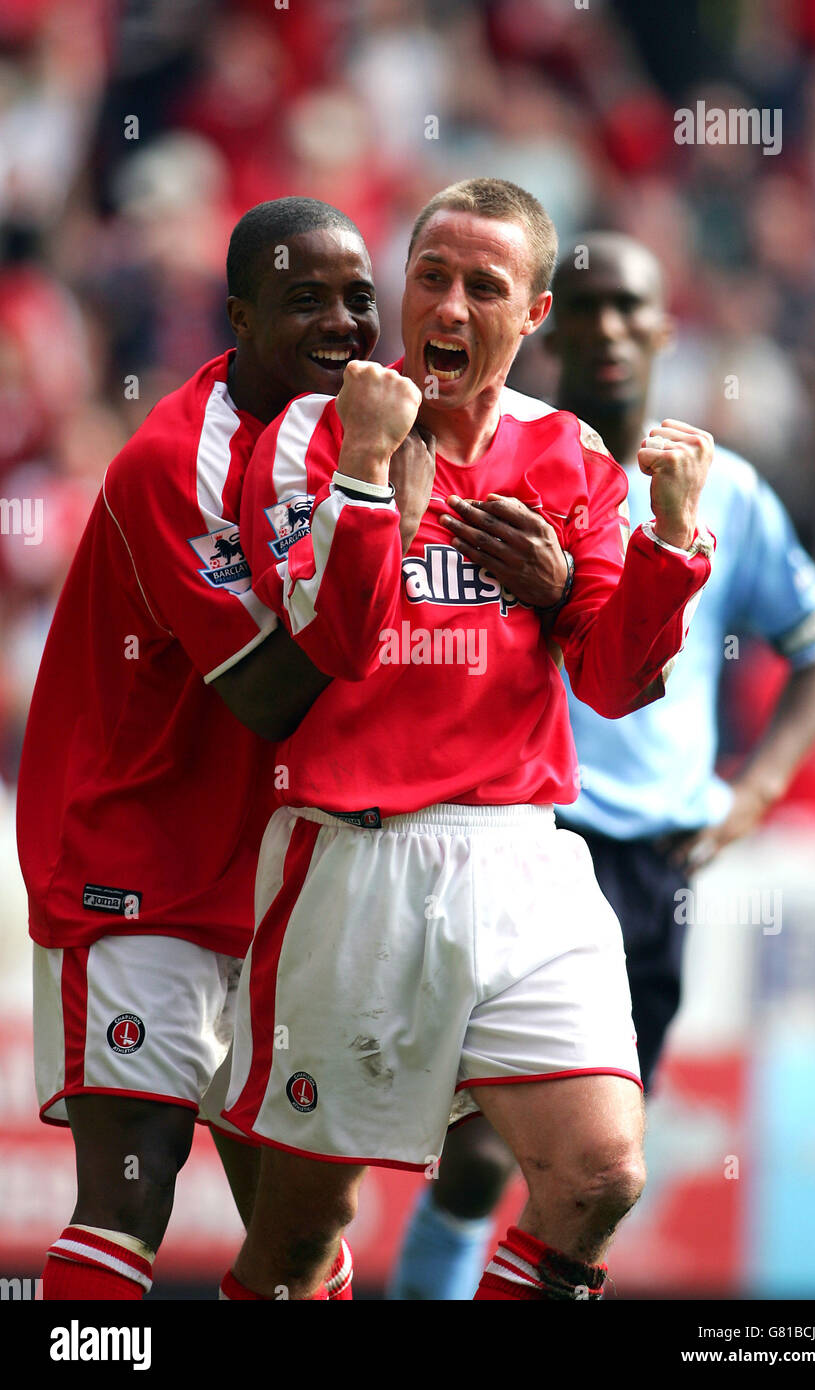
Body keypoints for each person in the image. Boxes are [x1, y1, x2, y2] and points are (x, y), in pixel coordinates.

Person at [218, 178, 715, 1303]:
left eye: (481, 286)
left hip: (524, 854)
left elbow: (614, 679)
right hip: (355, 856)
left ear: (531, 314)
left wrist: (669, 545)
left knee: (597, 1175)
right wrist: (365, 475)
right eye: (429, 276)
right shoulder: (310, 429)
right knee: (299, 1243)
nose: (445, 305)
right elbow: (335, 645)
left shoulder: (570, 456)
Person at [388, 231, 815, 1300]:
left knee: (597, 1165)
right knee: (482, 1147)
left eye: (625, 309)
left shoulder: (719, 488)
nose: (604, 328)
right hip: (529, 836)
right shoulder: (498, 461)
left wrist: (754, 794)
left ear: (661, 329)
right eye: (584, 307)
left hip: (656, 861)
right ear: (548, 324)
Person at [17, 195, 436, 1301]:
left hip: (276, 887)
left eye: (358, 299)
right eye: (306, 301)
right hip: (135, 869)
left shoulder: (356, 444)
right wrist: (375, 502)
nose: (344, 324)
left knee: (301, 1231)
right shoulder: (177, 460)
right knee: (132, 1195)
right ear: (239, 318)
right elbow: (271, 695)